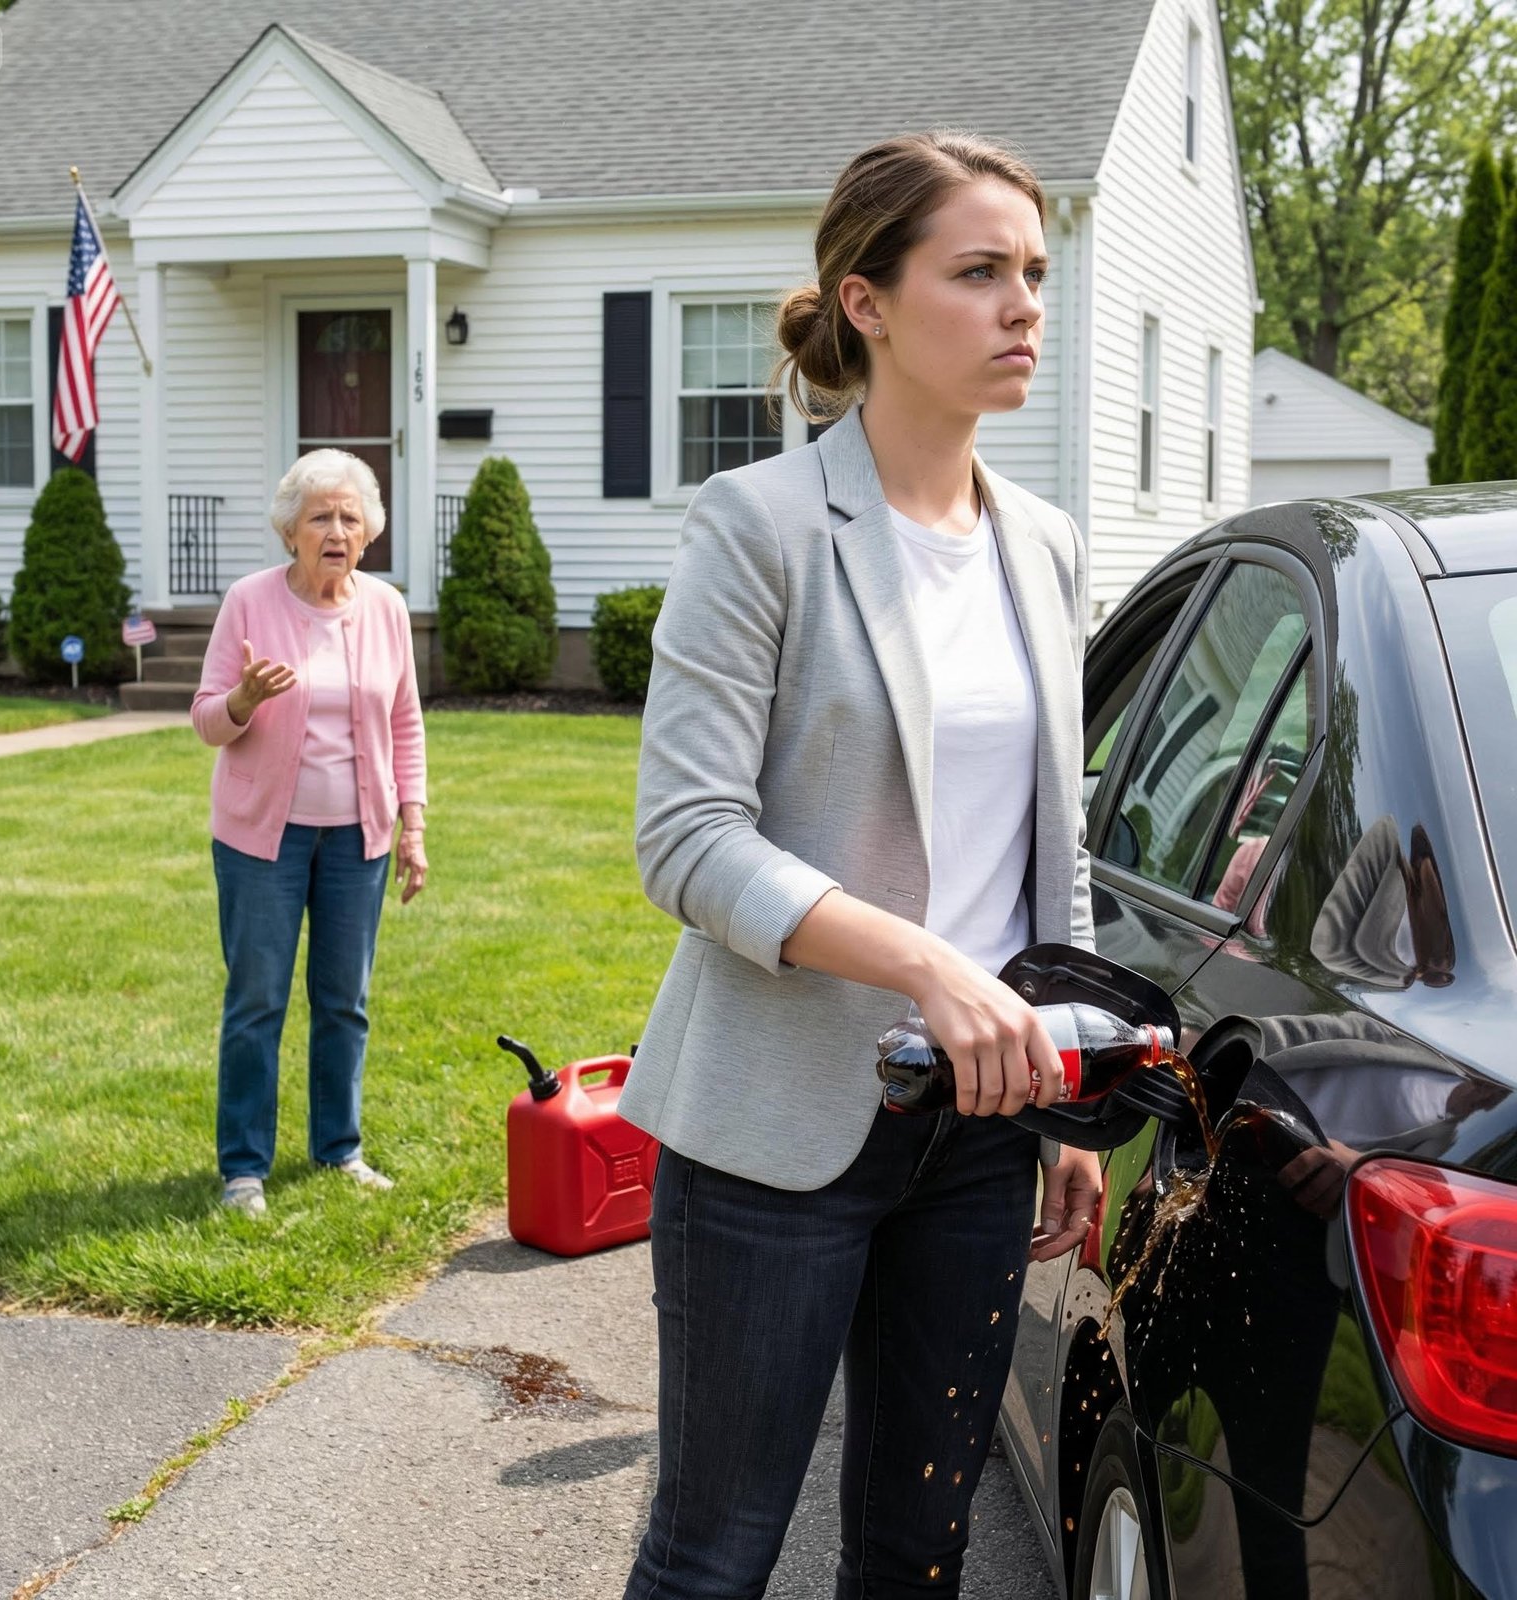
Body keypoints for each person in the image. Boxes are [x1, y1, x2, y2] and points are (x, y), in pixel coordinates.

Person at [618, 132, 1103, 1599]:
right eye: (979, 272)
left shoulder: (1048, 544)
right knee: (716, 1554)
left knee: (921, 1548)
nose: (1025, 303)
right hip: (775, 1133)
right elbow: (687, 841)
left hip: (983, 1126)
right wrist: (930, 968)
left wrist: (1067, 1085)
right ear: (869, 301)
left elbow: (1049, 848)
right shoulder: (757, 527)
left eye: (1033, 271)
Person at [191, 449, 428, 1218]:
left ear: (369, 534)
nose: (336, 530)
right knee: (256, 1000)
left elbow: (405, 724)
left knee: (343, 1000)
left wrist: (413, 826)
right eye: (320, 516)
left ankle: (340, 1150)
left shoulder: (387, 608)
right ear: (291, 530)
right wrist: (243, 700)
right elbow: (204, 722)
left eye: (350, 518)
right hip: (263, 841)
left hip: (358, 840)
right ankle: (243, 1171)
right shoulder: (250, 603)